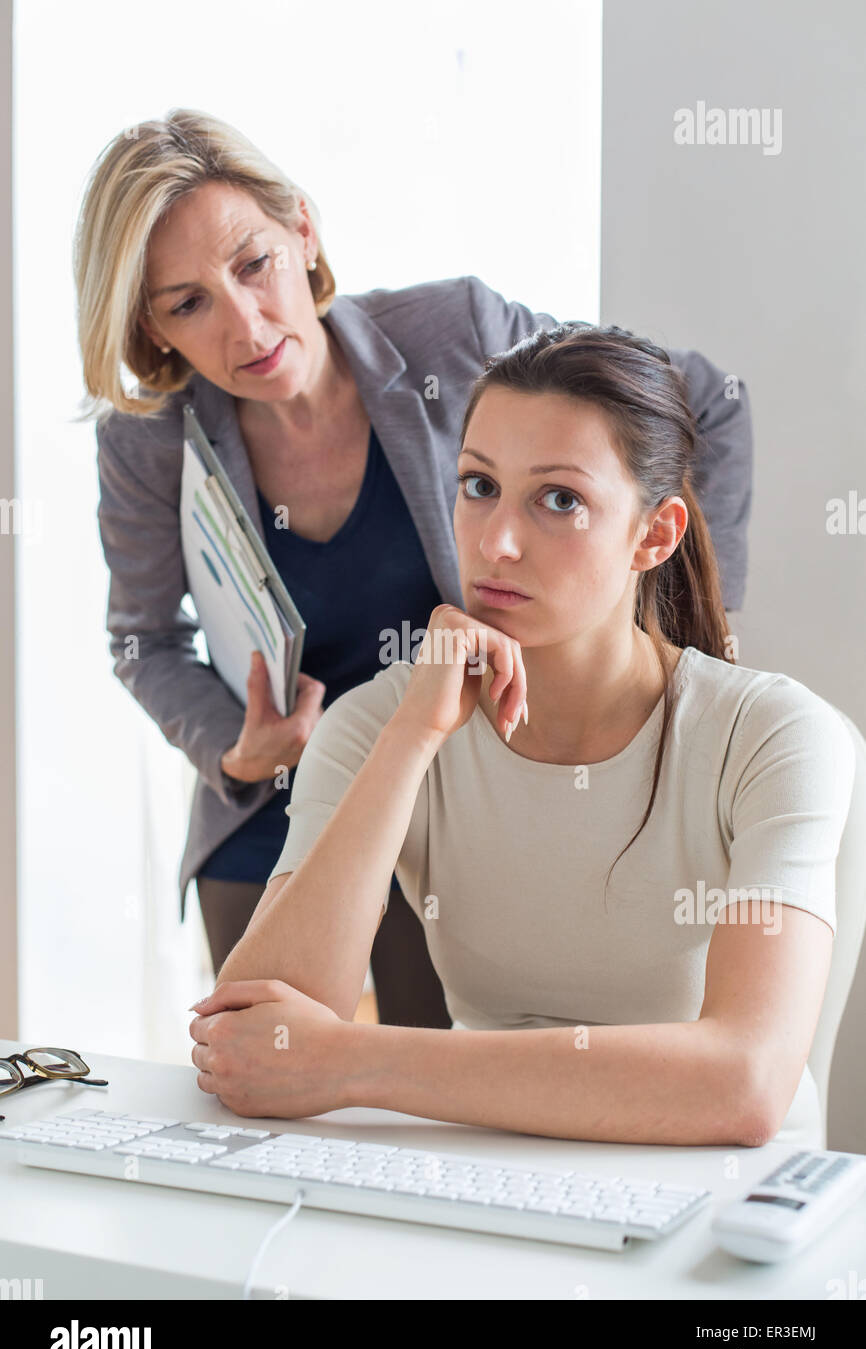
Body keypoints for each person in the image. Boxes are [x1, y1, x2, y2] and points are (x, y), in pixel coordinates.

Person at [78, 107, 753, 1028]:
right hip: (271, 804)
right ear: (154, 331)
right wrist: (238, 750)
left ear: (302, 231)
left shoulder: (451, 334)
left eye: (252, 264)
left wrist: (681, 640)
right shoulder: (148, 442)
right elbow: (145, 640)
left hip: (457, 783)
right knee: (258, 1060)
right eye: (187, 303)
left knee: (438, 1080)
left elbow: (697, 402)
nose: (244, 323)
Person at [190, 323, 855, 1149]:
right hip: (495, 1171)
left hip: (722, 1198)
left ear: (655, 534)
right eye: (478, 485)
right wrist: (410, 739)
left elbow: (746, 1082)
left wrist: (354, 1063)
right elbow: (253, 1042)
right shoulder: (383, 722)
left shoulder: (775, 737)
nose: (496, 543)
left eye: (560, 499)